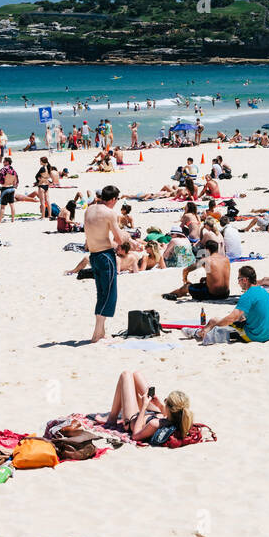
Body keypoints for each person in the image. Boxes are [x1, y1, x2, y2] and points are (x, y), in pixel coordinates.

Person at [93, 371, 194, 442]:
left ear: (170, 409)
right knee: (137, 374)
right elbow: (166, 415)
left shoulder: (154, 424)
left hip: (133, 419)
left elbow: (135, 436)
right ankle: (148, 403)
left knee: (126, 375)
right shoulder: (179, 418)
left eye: (165, 401)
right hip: (153, 414)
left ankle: (112, 418)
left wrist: (144, 407)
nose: (164, 402)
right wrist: (159, 404)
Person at [191, 265, 269, 344]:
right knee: (234, 320)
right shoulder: (264, 291)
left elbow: (232, 318)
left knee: (214, 321)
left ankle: (199, 333)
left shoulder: (248, 295)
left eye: (239, 279)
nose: (238, 283)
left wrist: (216, 325)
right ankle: (201, 332)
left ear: (245, 280)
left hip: (256, 336)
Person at [84, 185, 125, 342]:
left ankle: (101, 332)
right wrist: (125, 237)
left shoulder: (89, 209)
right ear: (113, 199)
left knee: (101, 294)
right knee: (109, 295)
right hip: (106, 256)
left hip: (93, 255)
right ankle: (96, 334)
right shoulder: (110, 213)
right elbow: (119, 239)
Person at [163, 238, 231, 301]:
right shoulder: (226, 259)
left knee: (186, 287)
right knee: (203, 280)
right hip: (225, 294)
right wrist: (206, 279)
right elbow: (218, 274)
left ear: (207, 250)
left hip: (212, 295)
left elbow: (186, 270)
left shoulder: (206, 260)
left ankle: (169, 295)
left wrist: (185, 280)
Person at [0, 157, 18, 223]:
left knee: (3, 207)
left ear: (7, 162)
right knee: (12, 205)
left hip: (5, 188)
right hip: (12, 188)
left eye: (4, 161)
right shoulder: (13, 170)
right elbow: (16, 181)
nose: (3, 162)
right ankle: (13, 219)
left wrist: (2, 182)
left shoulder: (3, 170)